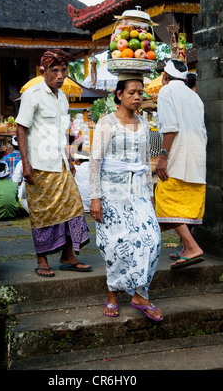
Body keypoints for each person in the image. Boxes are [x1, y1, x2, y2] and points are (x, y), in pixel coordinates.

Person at [89, 73, 162, 321]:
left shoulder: (143, 123)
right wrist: (95, 197)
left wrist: (150, 194)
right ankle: (112, 294)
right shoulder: (106, 123)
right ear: (119, 95)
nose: (137, 97)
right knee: (115, 243)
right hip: (111, 192)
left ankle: (140, 294)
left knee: (152, 240)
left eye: (140, 93)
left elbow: (143, 160)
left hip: (139, 190)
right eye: (132, 92)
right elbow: (95, 161)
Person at [15, 49, 91, 277]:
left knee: (74, 208)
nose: (60, 75)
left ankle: (68, 256)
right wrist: (25, 163)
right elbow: (21, 128)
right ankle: (42, 259)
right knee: (42, 213)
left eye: (63, 70)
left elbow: (63, 131)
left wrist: (70, 157)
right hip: (39, 166)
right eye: (54, 70)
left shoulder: (63, 97)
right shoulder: (32, 94)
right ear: (43, 71)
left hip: (61, 165)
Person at [155, 59, 207, 269]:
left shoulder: (166, 92)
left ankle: (191, 246)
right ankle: (186, 248)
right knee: (187, 203)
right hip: (196, 155)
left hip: (177, 154)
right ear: (185, 78)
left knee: (165, 201)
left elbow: (170, 127)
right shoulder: (194, 96)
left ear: (165, 77)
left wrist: (163, 156)